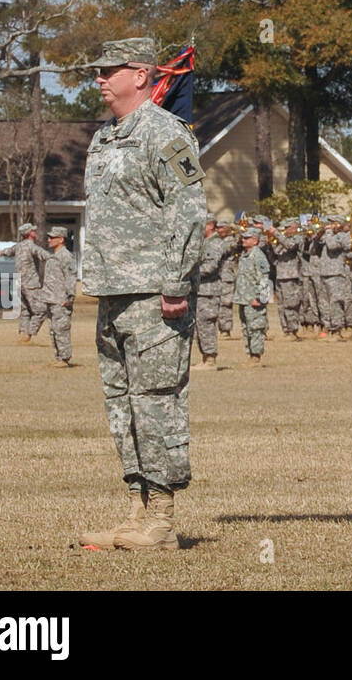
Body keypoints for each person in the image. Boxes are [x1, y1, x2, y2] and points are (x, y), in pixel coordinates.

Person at [79, 38, 206, 552]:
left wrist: (176, 282)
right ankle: (136, 509)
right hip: (112, 291)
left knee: (156, 402)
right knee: (121, 404)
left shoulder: (166, 133)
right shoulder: (105, 137)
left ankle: (161, 517)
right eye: (98, 71)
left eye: (109, 70)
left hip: (156, 295)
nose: (100, 79)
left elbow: (189, 209)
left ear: (140, 74)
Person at [0, 223, 48, 344]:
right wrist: (56, 258)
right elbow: (43, 254)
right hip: (30, 284)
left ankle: (22, 334)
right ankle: (29, 334)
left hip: (18, 283)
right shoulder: (31, 246)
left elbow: (8, 251)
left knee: (25, 311)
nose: (35, 232)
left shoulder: (18, 246)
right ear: (29, 233)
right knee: (41, 310)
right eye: (33, 231)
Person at [40, 226, 78, 368]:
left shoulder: (66, 256)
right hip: (51, 299)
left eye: (52, 237)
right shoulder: (53, 256)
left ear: (61, 239)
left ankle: (65, 358)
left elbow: (70, 278)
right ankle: (58, 357)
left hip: (61, 300)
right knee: (54, 330)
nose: (48, 240)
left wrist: (69, 298)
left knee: (61, 329)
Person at [234, 222, 272, 366]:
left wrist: (260, 298)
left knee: (256, 328)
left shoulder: (258, 256)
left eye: (247, 238)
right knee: (246, 328)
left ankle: (256, 357)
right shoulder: (245, 255)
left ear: (255, 240)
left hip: (254, 299)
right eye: (243, 238)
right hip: (244, 298)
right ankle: (250, 355)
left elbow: (264, 278)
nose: (243, 240)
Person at [192, 218, 225, 370]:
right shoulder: (205, 242)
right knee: (200, 325)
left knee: (206, 324)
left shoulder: (215, 243)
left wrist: (191, 273)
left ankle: (210, 359)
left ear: (210, 225)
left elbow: (210, 266)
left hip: (208, 291)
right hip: (200, 291)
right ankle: (205, 357)